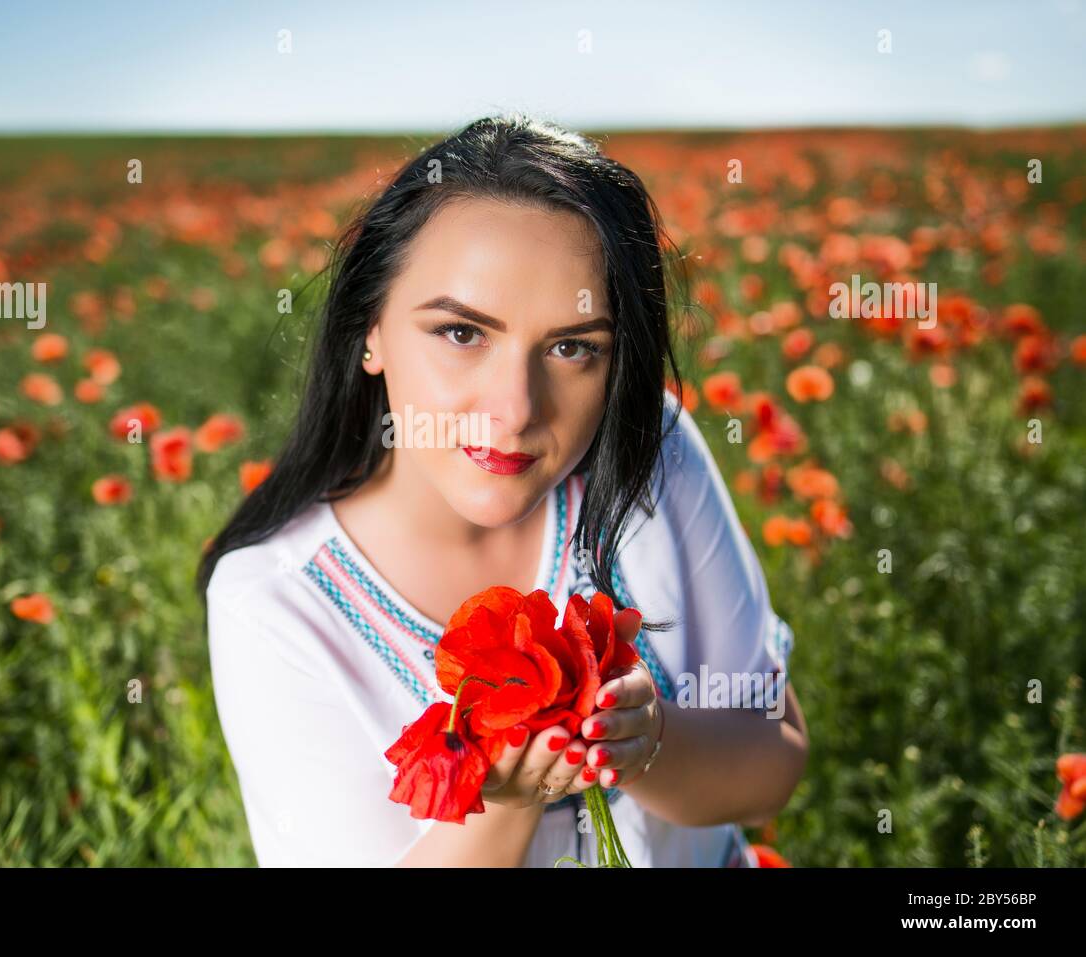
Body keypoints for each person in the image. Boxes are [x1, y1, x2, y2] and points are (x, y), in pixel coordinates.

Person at [198, 113, 809, 867]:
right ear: (371, 330)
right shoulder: (276, 600)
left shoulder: (651, 450)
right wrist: (502, 800)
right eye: (462, 333)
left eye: (572, 347)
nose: (516, 408)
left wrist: (651, 743)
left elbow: (772, 768)